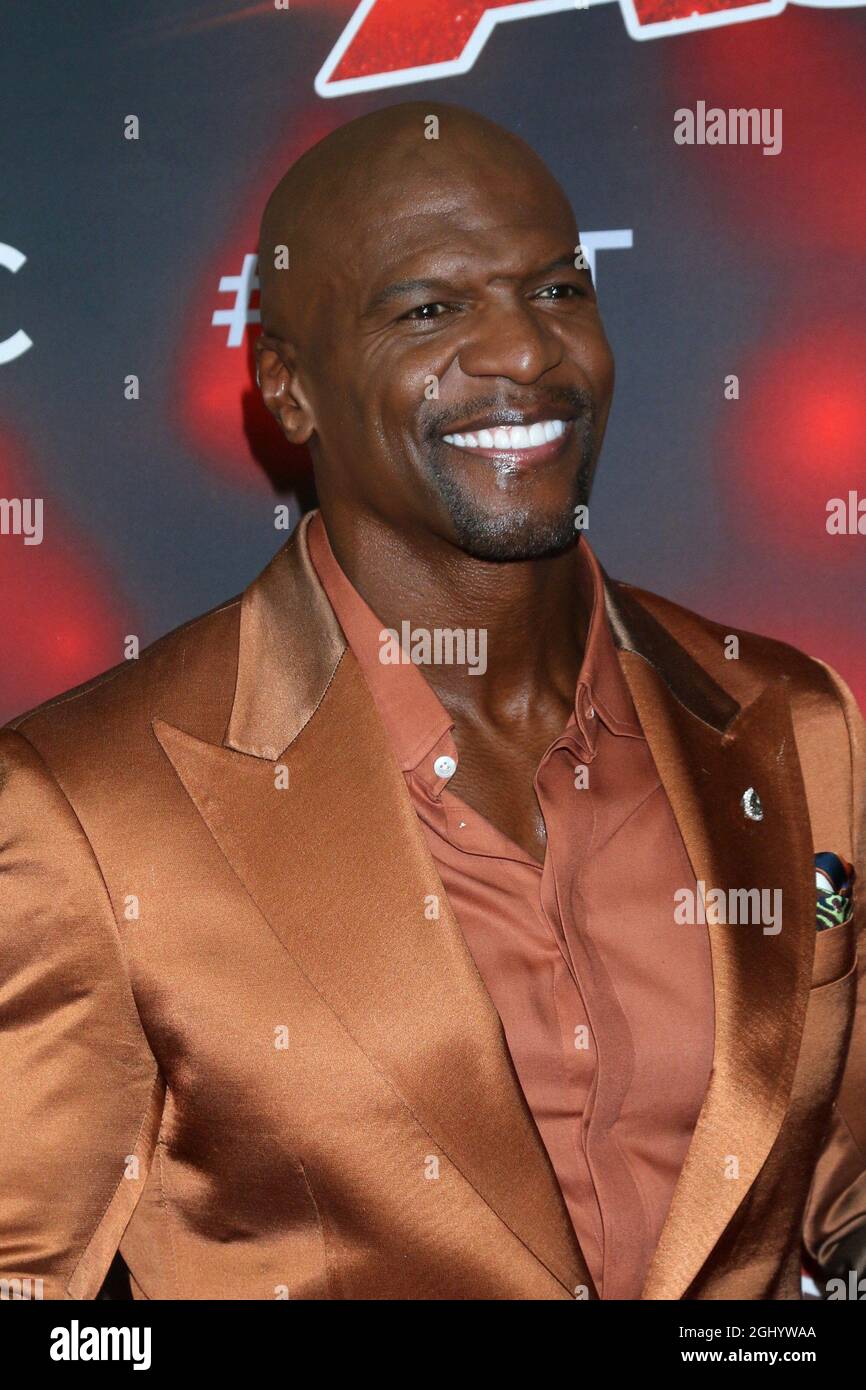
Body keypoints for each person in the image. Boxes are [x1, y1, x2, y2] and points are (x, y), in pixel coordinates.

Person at [1, 101, 863, 1301]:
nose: (523, 352)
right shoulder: (86, 807)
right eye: (429, 309)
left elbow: (838, 1171)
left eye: (558, 291)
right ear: (287, 391)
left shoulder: (793, 718)